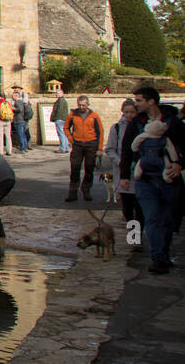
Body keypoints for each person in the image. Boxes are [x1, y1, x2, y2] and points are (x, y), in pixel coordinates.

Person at [121, 86, 185, 274]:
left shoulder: (173, 123)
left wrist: (180, 164)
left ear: (151, 101)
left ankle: (162, 254)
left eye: (139, 100)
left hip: (168, 179)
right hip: (144, 179)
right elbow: (126, 150)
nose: (136, 105)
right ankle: (154, 255)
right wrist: (124, 176)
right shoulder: (135, 124)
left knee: (166, 220)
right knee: (149, 217)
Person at [105, 98, 143, 251]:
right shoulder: (116, 128)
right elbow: (110, 149)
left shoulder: (141, 126)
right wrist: (121, 162)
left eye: (132, 112)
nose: (129, 115)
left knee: (140, 209)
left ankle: (137, 239)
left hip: (140, 172)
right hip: (123, 173)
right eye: (126, 112)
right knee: (128, 209)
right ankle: (133, 235)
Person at [65, 95, 104, 202]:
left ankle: (86, 190)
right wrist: (71, 139)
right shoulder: (72, 115)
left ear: (88, 104)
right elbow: (66, 127)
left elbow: (100, 132)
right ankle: (72, 193)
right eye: (79, 105)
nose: (81, 107)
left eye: (83, 105)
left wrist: (100, 148)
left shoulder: (94, 116)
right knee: (75, 168)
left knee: (89, 169)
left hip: (91, 145)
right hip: (77, 145)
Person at [12, 86, 32, 153]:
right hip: (23, 120)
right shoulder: (21, 102)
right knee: (23, 134)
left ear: (16, 96)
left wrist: (13, 108)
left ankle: (22, 148)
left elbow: (19, 110)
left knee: (20, 135)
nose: (12, 97)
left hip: (19, 120)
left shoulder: (18, 102)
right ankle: (25, 147)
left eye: (13, 96)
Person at [0, 89, 13, 155]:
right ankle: (9, 151)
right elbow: (11, 111)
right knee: (8, 136)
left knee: (0, 137)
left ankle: (0, 151)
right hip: (7, 121)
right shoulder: (7, 103)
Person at [50, 88, 70, 152]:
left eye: (59, 93)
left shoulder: (61, 101)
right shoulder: (62, 100)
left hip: (60, 119)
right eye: (56, 93)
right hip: (63, 119)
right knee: (64, 134)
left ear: (62, 93)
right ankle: (66, 148)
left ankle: (63, 148)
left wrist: (55, 118)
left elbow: (59, 110)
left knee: (61, 134)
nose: (57, 94)